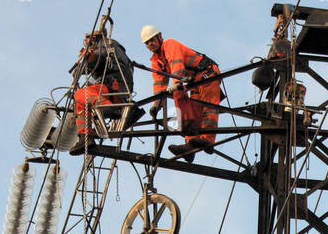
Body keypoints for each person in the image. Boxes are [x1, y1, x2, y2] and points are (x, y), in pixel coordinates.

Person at [141, 25, 221, 159]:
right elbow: (159, 83)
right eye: (147, 43)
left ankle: (208, 139)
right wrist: (157, 104)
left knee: (208, 107)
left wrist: (177, 84)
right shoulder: (156, 61)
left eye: (152, 40)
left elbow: (177, 64)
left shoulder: (169, 44)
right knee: (192, 113)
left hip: (207, 73)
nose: (150, 44)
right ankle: (190, 147)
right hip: (194, 81)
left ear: (159, 37)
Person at [71, 30, 135, 153]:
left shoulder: (106, 44)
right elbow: (94, 64)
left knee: (80, 94)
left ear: (95, 38)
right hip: (110, 90)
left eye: (89, 40)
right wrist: (80, 69)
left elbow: (98, 60)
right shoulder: (106, 47)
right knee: (80, 102)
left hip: (115, 89)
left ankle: (104, 105)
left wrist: (89, 58)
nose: (87, 43)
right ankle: (85, 138)